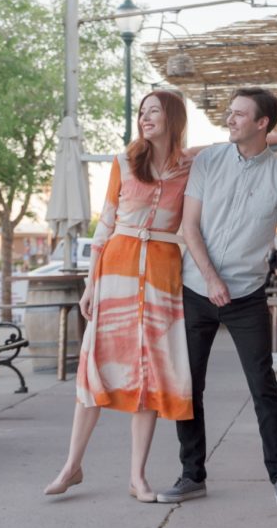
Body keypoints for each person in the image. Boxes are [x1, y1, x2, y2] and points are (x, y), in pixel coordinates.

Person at [157, 87, 277, 509]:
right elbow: (190, 227)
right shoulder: (207, 162)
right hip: (196, 288)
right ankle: (192, 476)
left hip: (247, 295)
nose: (230, 119)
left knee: (263, 387)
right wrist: (210, 277)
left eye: (240, 114)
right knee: (189, 387)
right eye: (230, 112)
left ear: (262, 123)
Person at [45, 90, 195, 502]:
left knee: (148, 375)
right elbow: (104, 226)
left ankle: (137, 477)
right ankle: (72, 466)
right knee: (97, 369)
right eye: (142, 112)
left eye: (155, 112)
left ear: (173, 118)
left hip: (163, 278)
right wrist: (92, 284)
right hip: (117, 273)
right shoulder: (124, 163)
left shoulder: (189, 169)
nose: (145, 118)